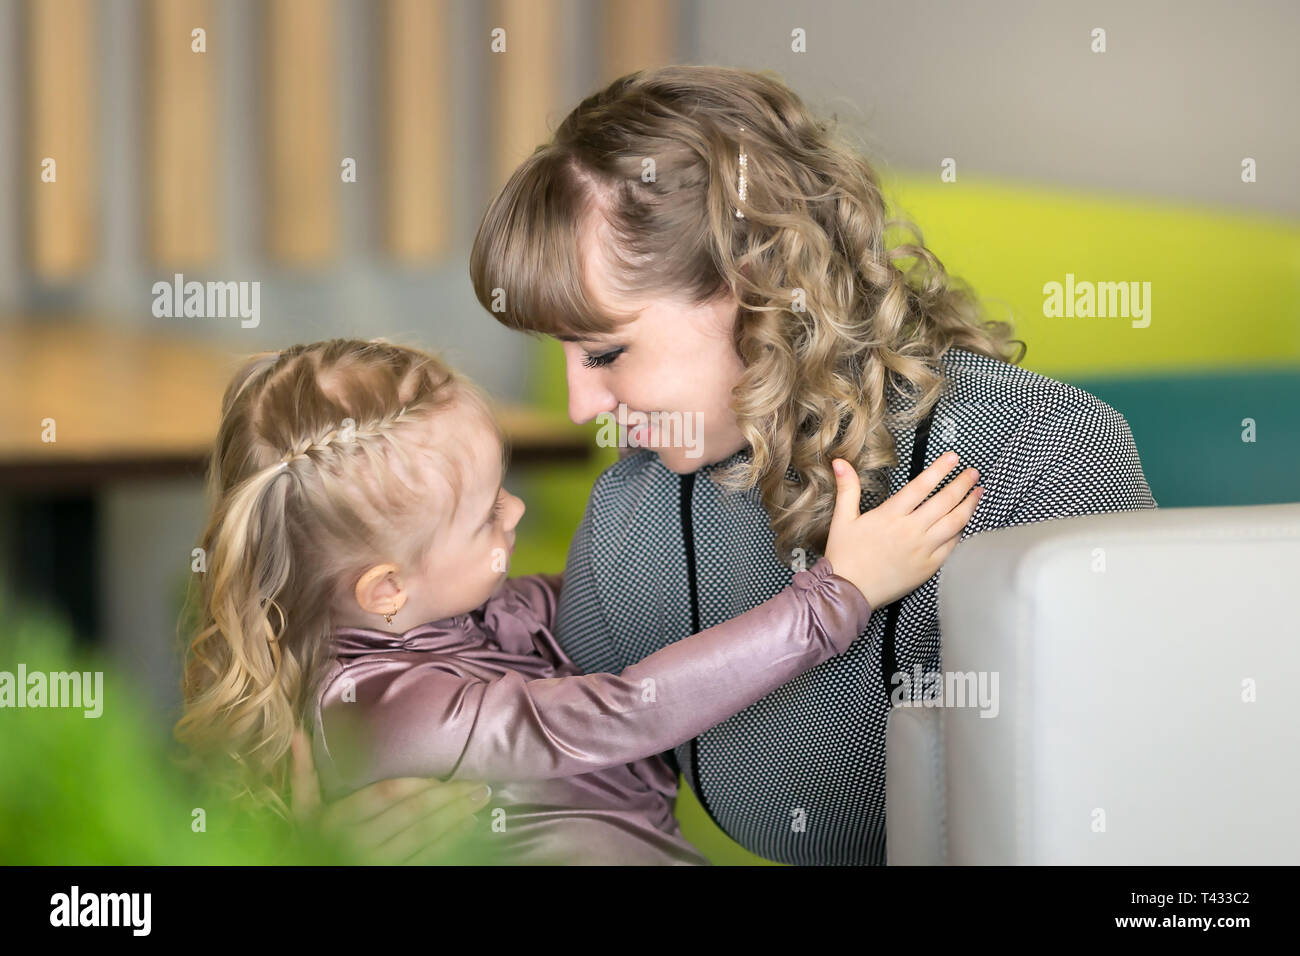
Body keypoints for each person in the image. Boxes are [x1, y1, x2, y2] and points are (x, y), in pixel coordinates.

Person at [295, 64, 1157, 866]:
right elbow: (578, 732)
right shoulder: (634, 512)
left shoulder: (1038, 452)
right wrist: (401, 803)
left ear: (756, 286)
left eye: (603, 352)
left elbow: (1149, 821)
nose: (581, 409)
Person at [174, 338, 982, 864]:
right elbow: (626, 707)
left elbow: (627, 606)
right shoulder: (384, 709)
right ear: (386, 588)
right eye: (489, 511)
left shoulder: (433, 621)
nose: (517, 513)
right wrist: (833, 598)